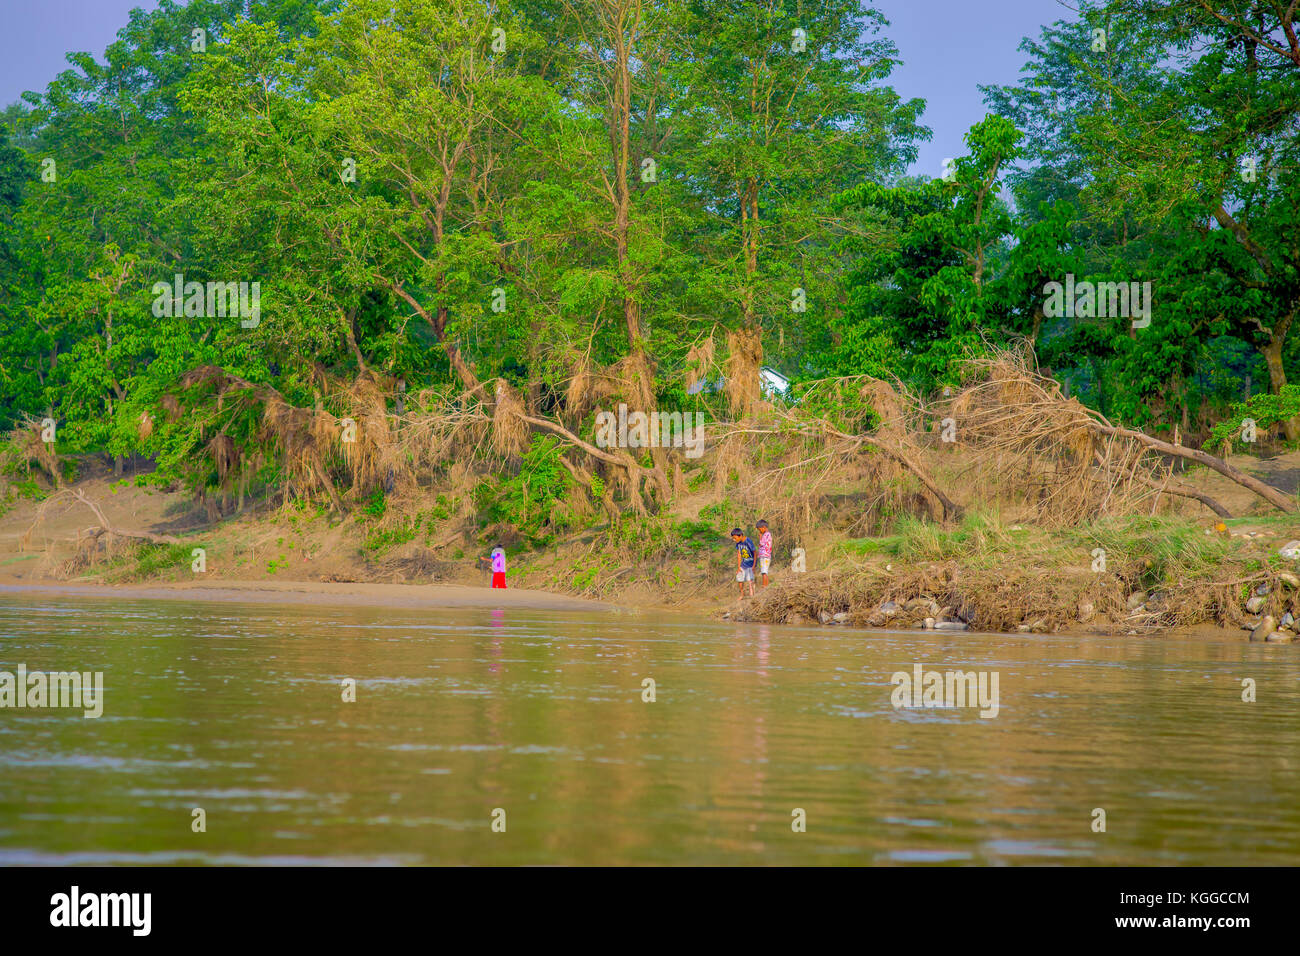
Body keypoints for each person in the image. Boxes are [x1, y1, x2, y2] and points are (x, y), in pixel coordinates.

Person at [730, 527, 756, 598]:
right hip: (744, 563)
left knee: (750, 579)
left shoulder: (748, 541)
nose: (734, 540)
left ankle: (752, 595)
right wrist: (738, 567)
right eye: (733, 538)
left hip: (751, 563)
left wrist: (754, 565)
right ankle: (742, 594)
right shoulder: (738, 543)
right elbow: (739, 554)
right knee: (739, 577)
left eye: (735, 538)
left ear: (740, 535)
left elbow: (755, 553)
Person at [756, 518, 773, 588]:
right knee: (764, 571)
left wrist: (760, 537)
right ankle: (766, 584)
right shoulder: (767, 535)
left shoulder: (766, 535)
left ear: (764, 527)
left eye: (760, 529)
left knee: (764, 572)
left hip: (765, 556)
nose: (759, 531)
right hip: (764, 555)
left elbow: (762, 543)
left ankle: (765, 585)